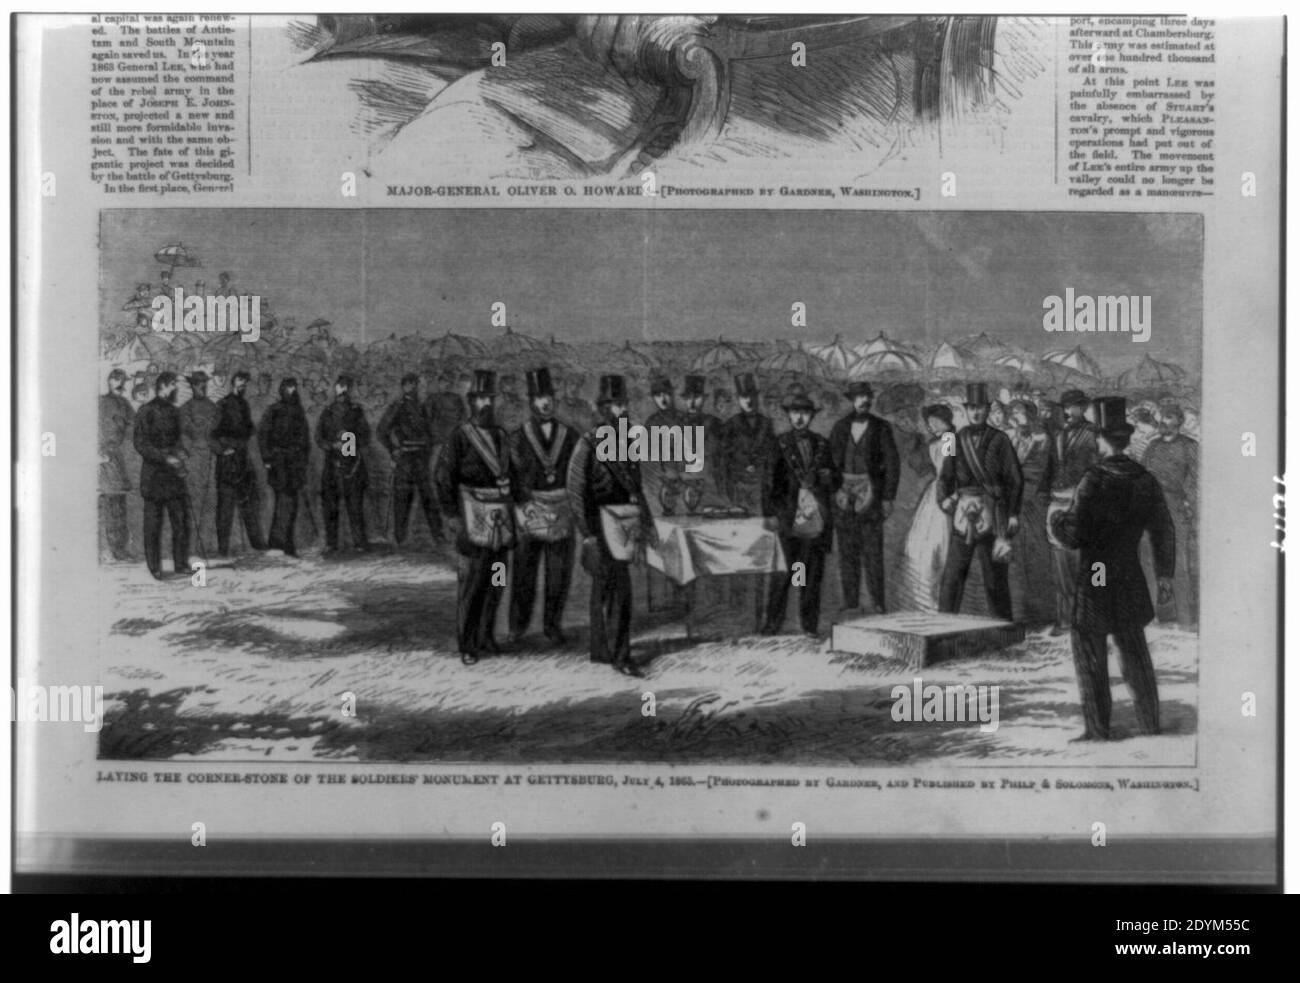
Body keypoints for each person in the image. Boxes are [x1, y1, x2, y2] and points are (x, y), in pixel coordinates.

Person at [1051, 397, 1175, 741]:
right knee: (1134, 647)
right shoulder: (1145, 479)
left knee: (1089, 647)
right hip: (1127, 574)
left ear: (1101, 439)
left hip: (1096, 573)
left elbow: (1073, 535)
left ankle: (1097, 728)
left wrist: (1056, 520)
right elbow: (1163, 529)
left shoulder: (1094, 479)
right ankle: (1150, 723)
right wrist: (1164, 574)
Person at [567, 374, 658, 676]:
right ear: (602, 408)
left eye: (622, 405)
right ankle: (618, 656)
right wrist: (587, 534)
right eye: (613, 405)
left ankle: (605, 651)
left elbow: (635, 486)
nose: (620, 411)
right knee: (613, 589)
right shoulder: (588, 443)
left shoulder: (630, 439)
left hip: (623, 523)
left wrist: (646, 519)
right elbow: (576, 491)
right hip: (598, 523)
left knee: (612, 587)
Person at [435, 370, 516, 665]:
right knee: (472, 584)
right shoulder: (460, 437)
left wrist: (512, 486)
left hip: (500, 519)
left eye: (489, 399)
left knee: (496, 579)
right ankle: (468, 644)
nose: (485, 404)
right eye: (480, 399)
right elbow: (443, 477)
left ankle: (486, 636)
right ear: (472, 403)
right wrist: (452, 514)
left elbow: (514, 474)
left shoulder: (502, 436)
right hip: (472, 518)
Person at [938, 382, 1024, 622]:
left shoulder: (1001, 439)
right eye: (972, 407)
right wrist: (943, 498)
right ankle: (943, 625)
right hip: (963, 511)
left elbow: (1015, 479)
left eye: (981, 408)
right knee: (952, 575)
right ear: (966, 409)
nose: (976, 412)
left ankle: (1003, 628)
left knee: (995, 577)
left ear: (987, 410)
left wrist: (1013, 513)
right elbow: (944, 476)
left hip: (994, 512)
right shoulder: (951, 438)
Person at [762, 392, 843, 638]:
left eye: (804, 413)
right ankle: (772, 626)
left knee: (810, 575)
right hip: (788, 518)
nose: (799, 417)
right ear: (788, 415)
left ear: (811, 416)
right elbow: (768, 483)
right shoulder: (779, 444)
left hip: (815, 520)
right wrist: (770, 514)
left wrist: (823, 478)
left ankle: (808, 626)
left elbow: (836, 479)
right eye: (795, 413)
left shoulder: (822, 444)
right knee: (786, 572)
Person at [508, 367, 579, 646]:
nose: (545, 402)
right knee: (523, 573)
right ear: (531, 402)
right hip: (530, 510)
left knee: (558, 575)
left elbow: (577, 474)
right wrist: (523, 503)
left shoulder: (570, 435)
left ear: (554, 398)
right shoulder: (518, 437)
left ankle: (552, 626)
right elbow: (511, 475)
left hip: (561, 509)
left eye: (548, 396)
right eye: (539, 398)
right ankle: (517, 627)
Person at [827, 381, 900, 614]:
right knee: (847, 552)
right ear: (852, 400)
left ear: (871, 399)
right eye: (858, 397)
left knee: (873, 553)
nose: (863, 401)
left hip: (872, 497)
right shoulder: (839, 427)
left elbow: (892, 463)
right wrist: (836, 489)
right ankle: (851, 603)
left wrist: (888, 497)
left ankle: (878, 602)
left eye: (866, 397)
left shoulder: (882, 428)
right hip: (843, 496)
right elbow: (829, 464)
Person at [1038, 389, 1098, 634]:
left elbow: (1097, 471)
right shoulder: (1059, 434)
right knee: (1060, 563)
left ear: (1084, 408)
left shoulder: (1094, 434)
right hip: (1056, 502)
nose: (1066, 411)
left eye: (1072, 406)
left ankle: (1090, 619)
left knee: (1087, 563)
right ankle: (1065, 619)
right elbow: (1052, 466)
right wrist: (1044, 492)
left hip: (1082, 503)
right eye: (1064, 406)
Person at [1141, 403, 1198, 628]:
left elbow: (1195, 482)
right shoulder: (1153, 446)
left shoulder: (1189, 446)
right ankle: (1151, 615)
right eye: (1161, 418)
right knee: (1148, 559)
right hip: (1151, 508)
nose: (1163, 422)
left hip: (1175, 508)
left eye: (1168, 417)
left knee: (1178, 562)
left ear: (1179, 422)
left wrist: (1188, 505)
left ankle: (1184, 618)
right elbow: (1143, 475)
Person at [896, 404, 954, 612]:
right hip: (933, 494)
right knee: (920, 547)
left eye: (933, 422)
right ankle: (923, 601)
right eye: (928, 423)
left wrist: (945, 492)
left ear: (943, 420)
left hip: (945, 494)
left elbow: (949, 468)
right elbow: (919, 466)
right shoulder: (935, 441)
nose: (930, 426)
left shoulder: (949, 440)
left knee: (939, 545)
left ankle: (936, 603)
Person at [133, 372, 191, 579]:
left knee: (181, 523)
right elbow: (141, 444)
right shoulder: (145, 411)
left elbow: (176, 440)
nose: (176, 389)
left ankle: (181, 564)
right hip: (154, 476)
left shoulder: (174, 412)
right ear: (164, 386)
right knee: (153, 527)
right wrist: (165, 458)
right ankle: (155, 567)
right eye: (174, 384)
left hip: (173, 477)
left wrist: (181, 452)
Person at [378, 372, 441, 545]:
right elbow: (382, 431)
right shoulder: (397, 406)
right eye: (410, 385)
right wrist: (393, 450)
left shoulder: (422, 407)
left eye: (415, 385)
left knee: (428, 496)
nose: (413, 388)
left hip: (421, 458)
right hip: (405, 458)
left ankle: (438, 535)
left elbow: (430, 433)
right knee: (402, 498)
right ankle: (400, 537)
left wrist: (428, 450)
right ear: (405, 386)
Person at [210, 370, 268, 556]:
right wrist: (222, 450)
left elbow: (249, 428)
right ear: (233, 382)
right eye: (240, 380)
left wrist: (252, 430)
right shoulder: (222, 404)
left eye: (245, 381)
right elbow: (211, 435)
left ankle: (257, 543)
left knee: (249, 503)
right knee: (225, 507)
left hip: (243, 459)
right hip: (227, 461)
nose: (243, 384)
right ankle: (223, 549)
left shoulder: (244, 404)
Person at [1008, 399, 1054, 627]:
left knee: (1035, 556)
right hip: (1009, 503)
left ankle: (1039, 613)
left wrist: (1014, 499)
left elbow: (1034, 474)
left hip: (1030, 504)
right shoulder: (1009, 436)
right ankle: (1018, 612)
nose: (1017, 417)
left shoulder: (1042, 439)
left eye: (1022, 413)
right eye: (1014, 413)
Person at [317, 374, 372, 553]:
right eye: (340, 386)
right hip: (332, 462)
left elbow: (365, 436)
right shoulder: (327, 412)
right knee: (330, 505)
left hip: (352, 463)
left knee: (355, 505)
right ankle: (331, 543)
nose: (343, 390)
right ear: (335, 388)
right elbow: (319, 437)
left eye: (346, 386)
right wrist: (332, 445)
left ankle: (359, 542)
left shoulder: (356, 411)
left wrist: (351, 443)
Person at [258, 377, 312, 557]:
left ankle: (286, 544)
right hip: (279, 463)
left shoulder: (298, 411)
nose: (291, 391)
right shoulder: (273, 410)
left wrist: (303, 461)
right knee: (284, 501)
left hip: (295, 464)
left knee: (291, 503)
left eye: (294, 388)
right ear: (282, 389)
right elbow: (263, 435)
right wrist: (267, 458)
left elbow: (305, 440)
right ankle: (278, 544)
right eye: (288, 388)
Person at [179, 371, 218, 557]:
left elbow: (217, 433)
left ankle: (205, 547)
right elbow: (184, 435)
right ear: (192, 386)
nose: (202, 387)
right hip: (193, 460)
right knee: (193, 504)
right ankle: (190, 549)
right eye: (198, 384)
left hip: (211, 460)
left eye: (204, 383)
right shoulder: (185, 409)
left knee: (210, 503)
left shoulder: (213, 407)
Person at [99, 369, 135, 561]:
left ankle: (120, 549)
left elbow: (134, 427)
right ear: (110, 380)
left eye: (122, 380)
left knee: (120, 504)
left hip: (118, 458)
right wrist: (97, 452)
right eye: (117, 380)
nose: (120, 384)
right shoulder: (100, 402)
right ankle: (110, 550)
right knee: (110, 503)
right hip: (103, 458)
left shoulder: (125, 404)